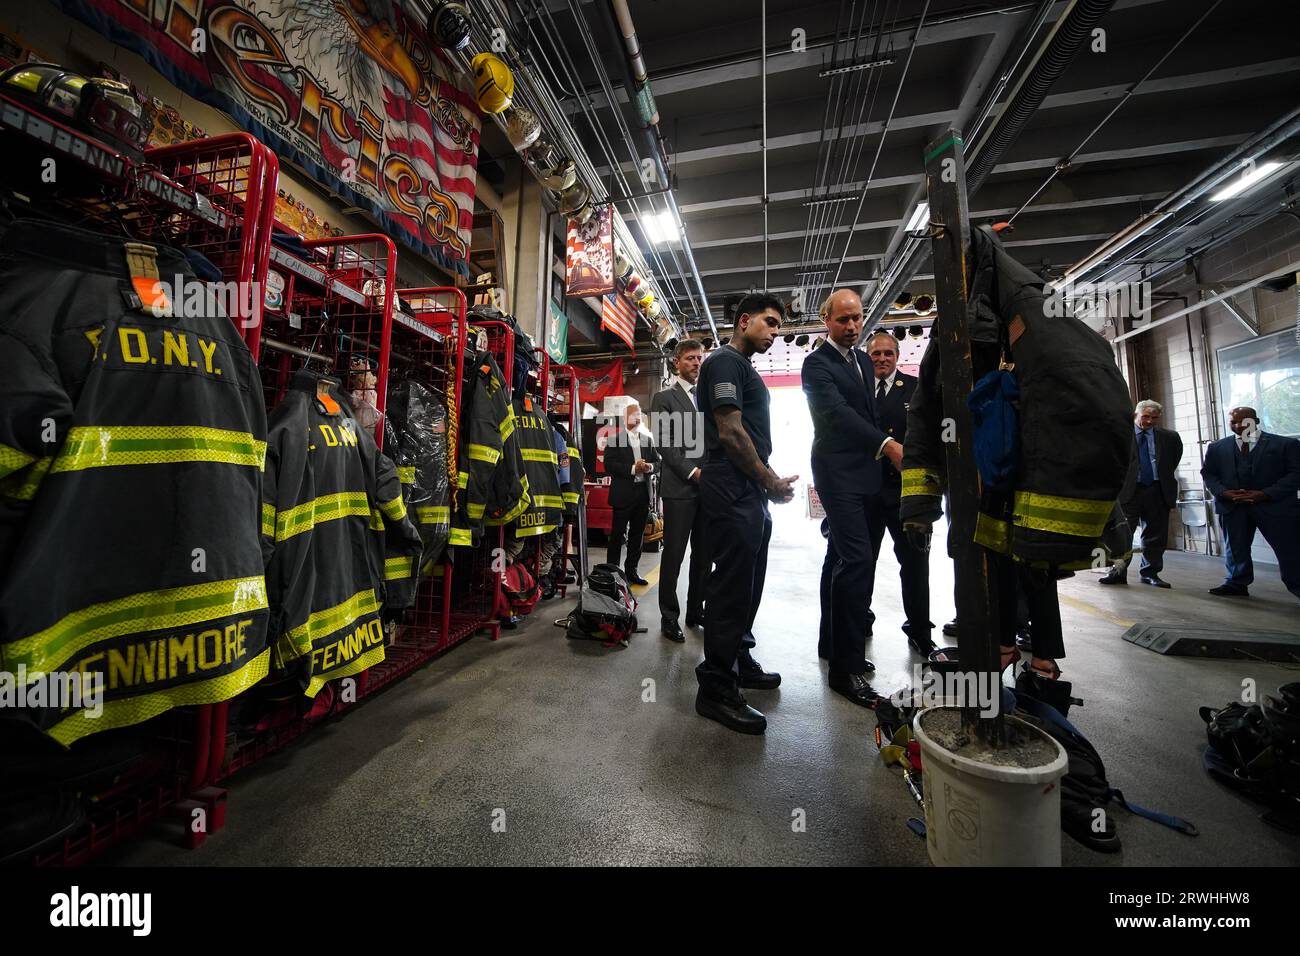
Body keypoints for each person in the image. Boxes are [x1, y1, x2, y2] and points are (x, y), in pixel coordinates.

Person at [694, 293, 797, 734]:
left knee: (749, 580)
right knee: (732, 586)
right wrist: (766, 480)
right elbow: (731, 434)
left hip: (746, 484)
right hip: (729, 482)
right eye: (770, 323)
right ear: (743, 321)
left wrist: (767, 479)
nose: (775, 333)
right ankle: (715, 688)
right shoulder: (723, 363)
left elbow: (750, 435)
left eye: (778, 326)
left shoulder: (744, 368)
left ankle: (738, 657)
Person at [802, 290, 901, 709]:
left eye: (857, 318)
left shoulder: (861, 360)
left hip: (866, 476)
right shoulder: (815, 365)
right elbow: (838, 415)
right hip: (837, 473)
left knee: (839, 558)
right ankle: (845, 668)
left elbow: (870, 412)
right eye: (843, 319)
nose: (852, 326)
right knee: (857, 560)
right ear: (827, 320)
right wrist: (887, 445)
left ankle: (831, 643)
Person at [864, 330, 934, 654]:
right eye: (875, 354)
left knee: (915, 565)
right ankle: (860, 621)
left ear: (897, 355)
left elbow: (929, 437)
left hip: (906, 494)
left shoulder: (917, 388)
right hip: (866, 494)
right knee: (863, 563)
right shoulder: (859, 390)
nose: (881, 359)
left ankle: (920, 629)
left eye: (887, 354)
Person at [1201, 406, 1300, 601]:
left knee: (1290, 549)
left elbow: (1296, 474)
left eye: (1244, 421)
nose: (1238, 425)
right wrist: (1223, 492)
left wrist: (1265, 494)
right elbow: (1209, 474)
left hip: (1274, 507)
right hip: (1233, 507)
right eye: (1233, 422)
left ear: (1256, 421)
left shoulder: (1286, 445)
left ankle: (1297, 585)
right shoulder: (1217, 447)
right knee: (1236, 548)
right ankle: (1236, 583)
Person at [650, 339, 708, 642]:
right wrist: (692, 471)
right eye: (690, 358)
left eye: (700, 358)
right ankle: (668, 617)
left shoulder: (706, 398)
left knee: (703, 554)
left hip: (707, 489)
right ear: (677, 362)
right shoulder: (664, 398)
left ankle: (695, 610)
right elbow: (664, 443)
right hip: (680, 488)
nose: (696, 363)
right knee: (674, 555)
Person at [1100, 399, 1183, 588]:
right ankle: (1117, 572)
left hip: (1157, 490)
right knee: (1123, 534)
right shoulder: (1121, 435)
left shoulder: (1170, 438)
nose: (1150, 421)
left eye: (1154, 418)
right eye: (1146, 416)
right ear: (1136, 415)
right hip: (1128, 492)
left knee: (1156, 535)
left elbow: (1172, 460)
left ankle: (1150, 573)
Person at [604, 400, 659, 586]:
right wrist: (633, 469)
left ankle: (632, 572)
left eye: (640, 413)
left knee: (637, 536)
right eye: (634, 413)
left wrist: (649, 466)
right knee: (617, 535)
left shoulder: (647, 440)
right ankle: (612, 574)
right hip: (623, 494)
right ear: (625, 417)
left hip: (642, 495)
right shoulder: (614, 440)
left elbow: (659, 463)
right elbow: (609, 465)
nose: (638, 416)